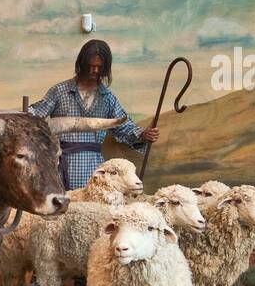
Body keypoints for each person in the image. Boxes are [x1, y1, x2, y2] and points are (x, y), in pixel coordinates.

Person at [27, 39, 159, 191]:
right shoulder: (60, 91)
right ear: (82, 64)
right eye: (91, 66)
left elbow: (123, 127)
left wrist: (142, 134)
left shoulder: (107, 98)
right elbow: (36, 113)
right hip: (61, 165)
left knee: (91, 206)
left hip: (93, 167)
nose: (95, 70)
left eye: (99, 67)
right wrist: (17, 118)